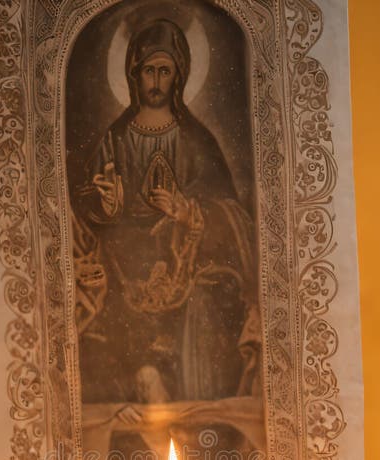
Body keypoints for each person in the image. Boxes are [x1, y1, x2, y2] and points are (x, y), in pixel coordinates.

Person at [73, 18, 256, 405]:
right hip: (124, 266)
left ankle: (201, 416)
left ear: (180, 75)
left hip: (181, 265)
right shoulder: (115, 139)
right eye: (148, 71)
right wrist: (107, 207)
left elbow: (233, 216)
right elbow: (83, 213)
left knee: (209, 304)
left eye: (164, 71)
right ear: (133, 75)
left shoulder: (196, 140)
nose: (155, 81)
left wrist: (189, 213)